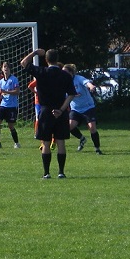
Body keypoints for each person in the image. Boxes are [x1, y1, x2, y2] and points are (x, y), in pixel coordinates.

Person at [21, 48, 77, 179]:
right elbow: (71, 94)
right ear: (57, 60)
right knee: (61, 142)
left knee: (45, 142)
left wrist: (35, 53)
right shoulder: (65, 75)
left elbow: (23, 63)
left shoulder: (41, 72)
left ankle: (46, 173)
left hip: (45, 110)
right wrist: (62, 110)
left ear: (46, 60)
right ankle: (61, 172)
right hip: (60, 112)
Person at [63, 64, 102, 155]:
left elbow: (86, 82)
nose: (63, 74)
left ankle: (97, 148)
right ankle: (82, 139)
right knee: (70, 126)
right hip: (75, 109)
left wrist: (91, 86)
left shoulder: (78, 78)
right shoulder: (63, 82)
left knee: (92, 128)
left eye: (65, 72)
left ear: (71, 72)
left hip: (88, 107)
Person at [0, 62, 21, 149]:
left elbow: (17, 91)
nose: (6, 69)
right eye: (4, 67)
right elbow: (2, 93)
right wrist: (0, 95)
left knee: (10, 125)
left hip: (12, 106)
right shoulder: (1, 81)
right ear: (2, 69)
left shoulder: (14, 79)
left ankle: (16, 143)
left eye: (7, 67)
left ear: (10, 69)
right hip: (3, 105)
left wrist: (6, 92)